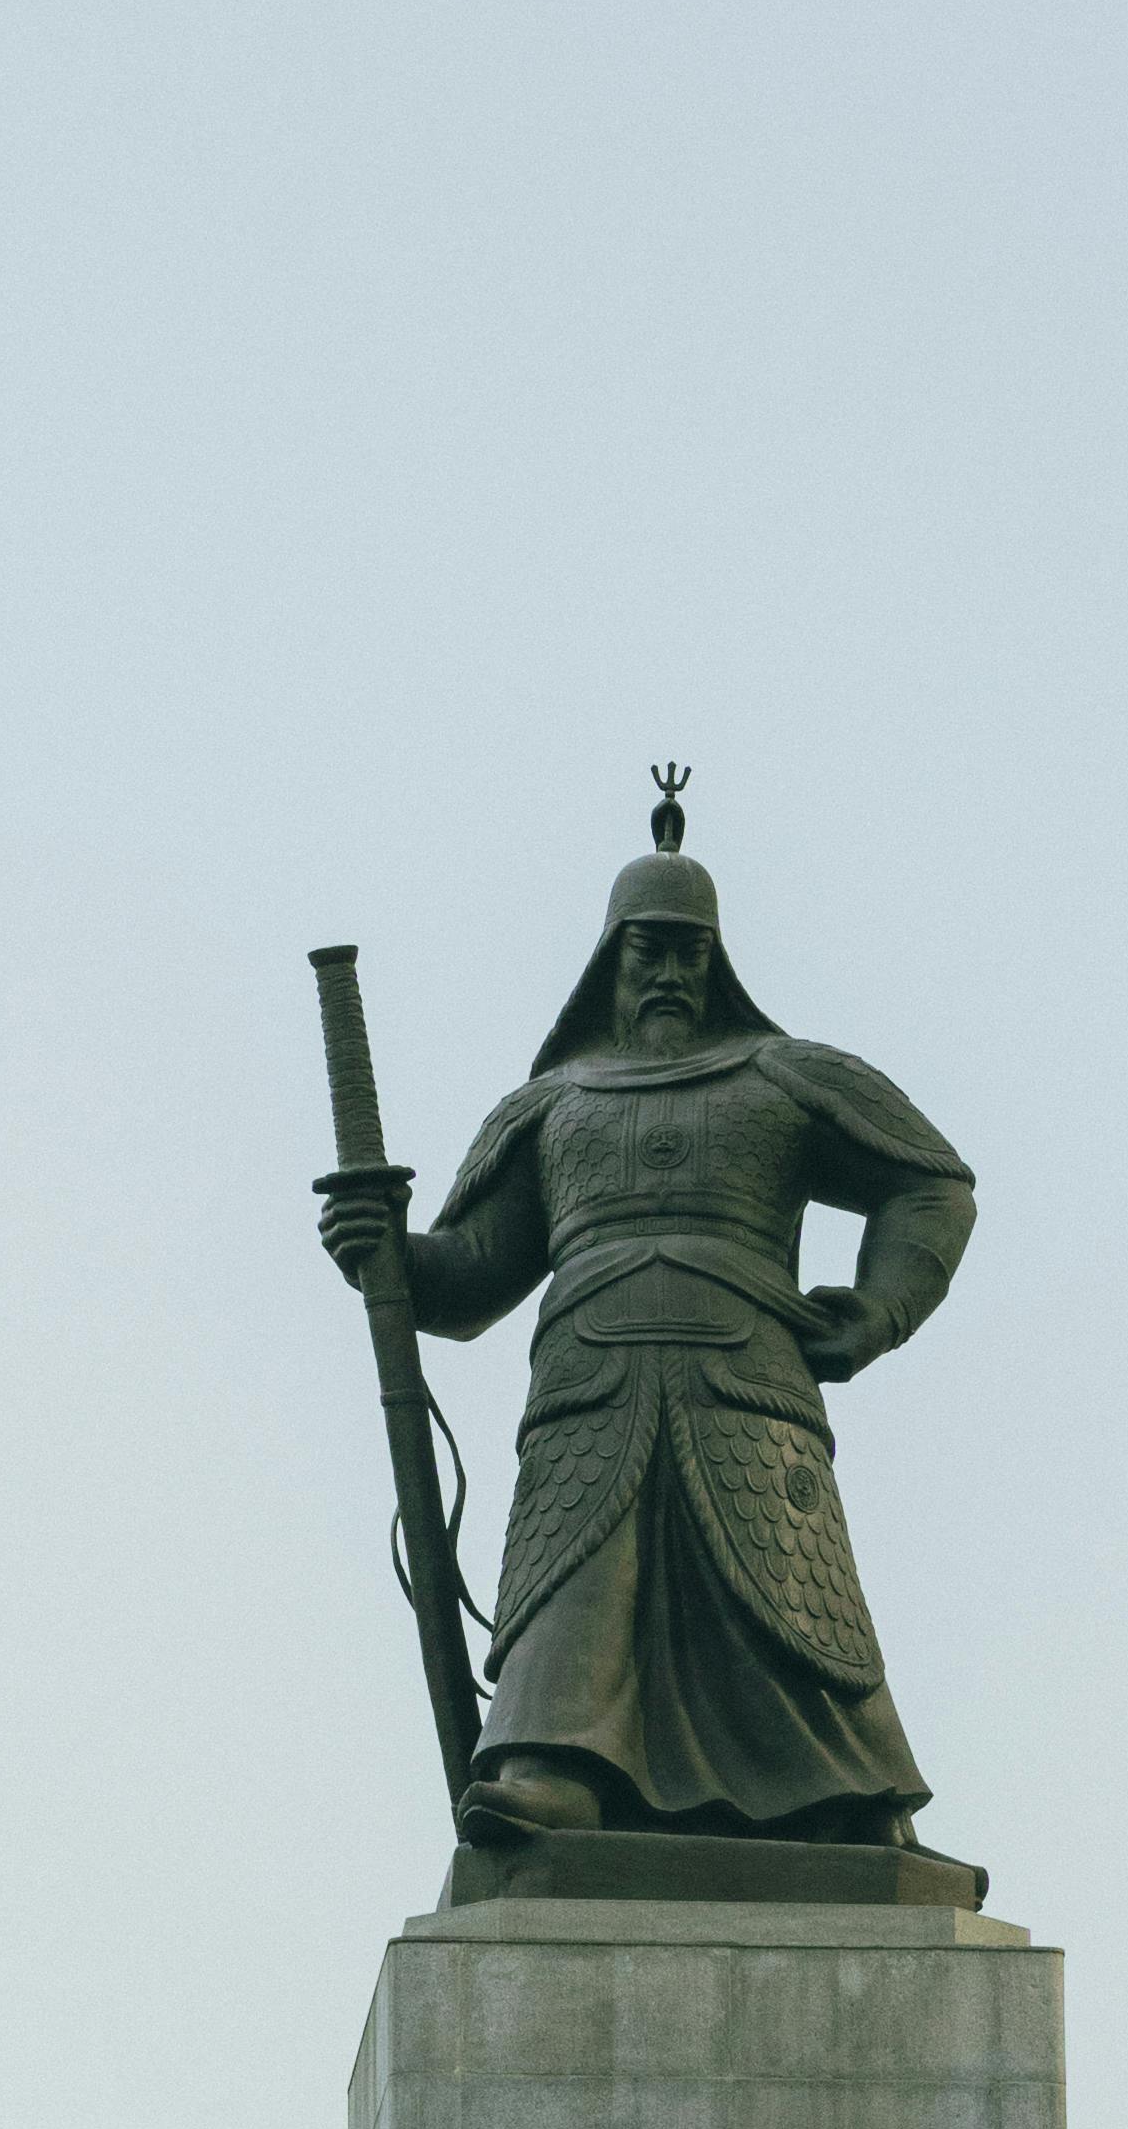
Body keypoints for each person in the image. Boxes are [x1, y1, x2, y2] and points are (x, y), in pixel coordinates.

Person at [313, 789, 977, 1855]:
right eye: (645, 952)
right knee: (576, 1564)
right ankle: (552, 1765)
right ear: (607, 963)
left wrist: (880, 1310)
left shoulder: (784, 1077)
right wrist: (383, 1249)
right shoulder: (552, 1106)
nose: (667, 973)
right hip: (588, 1375)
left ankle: (848, 1799)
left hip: (747, 1371)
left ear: (718, 963)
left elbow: (930, 1184)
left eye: (686, 952)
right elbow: (469, 1278)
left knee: (785, 1582)